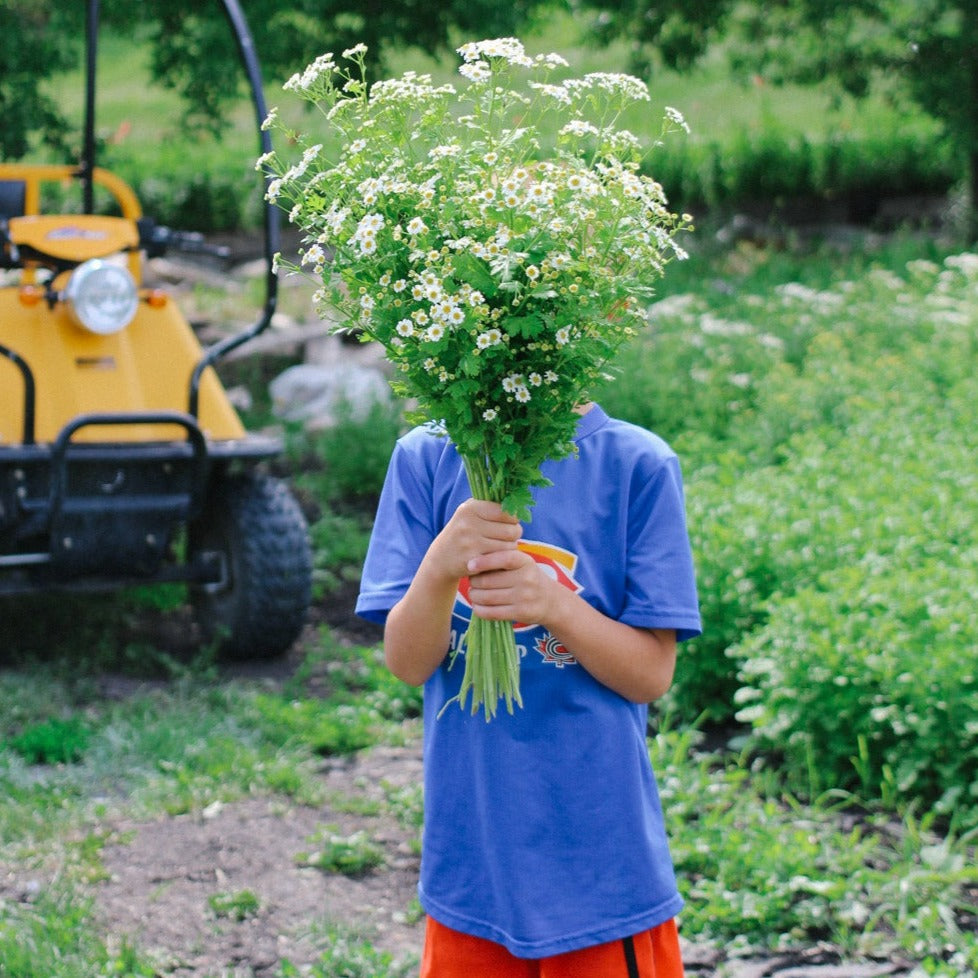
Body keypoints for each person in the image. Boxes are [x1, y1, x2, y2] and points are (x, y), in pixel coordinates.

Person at [356, 402, 702, 978]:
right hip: (472, 867)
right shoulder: (427, 456)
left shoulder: (636, 463)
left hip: (600, 874)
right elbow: (408, 663)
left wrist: (552, 605)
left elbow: (650, 675)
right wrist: (442, 565)